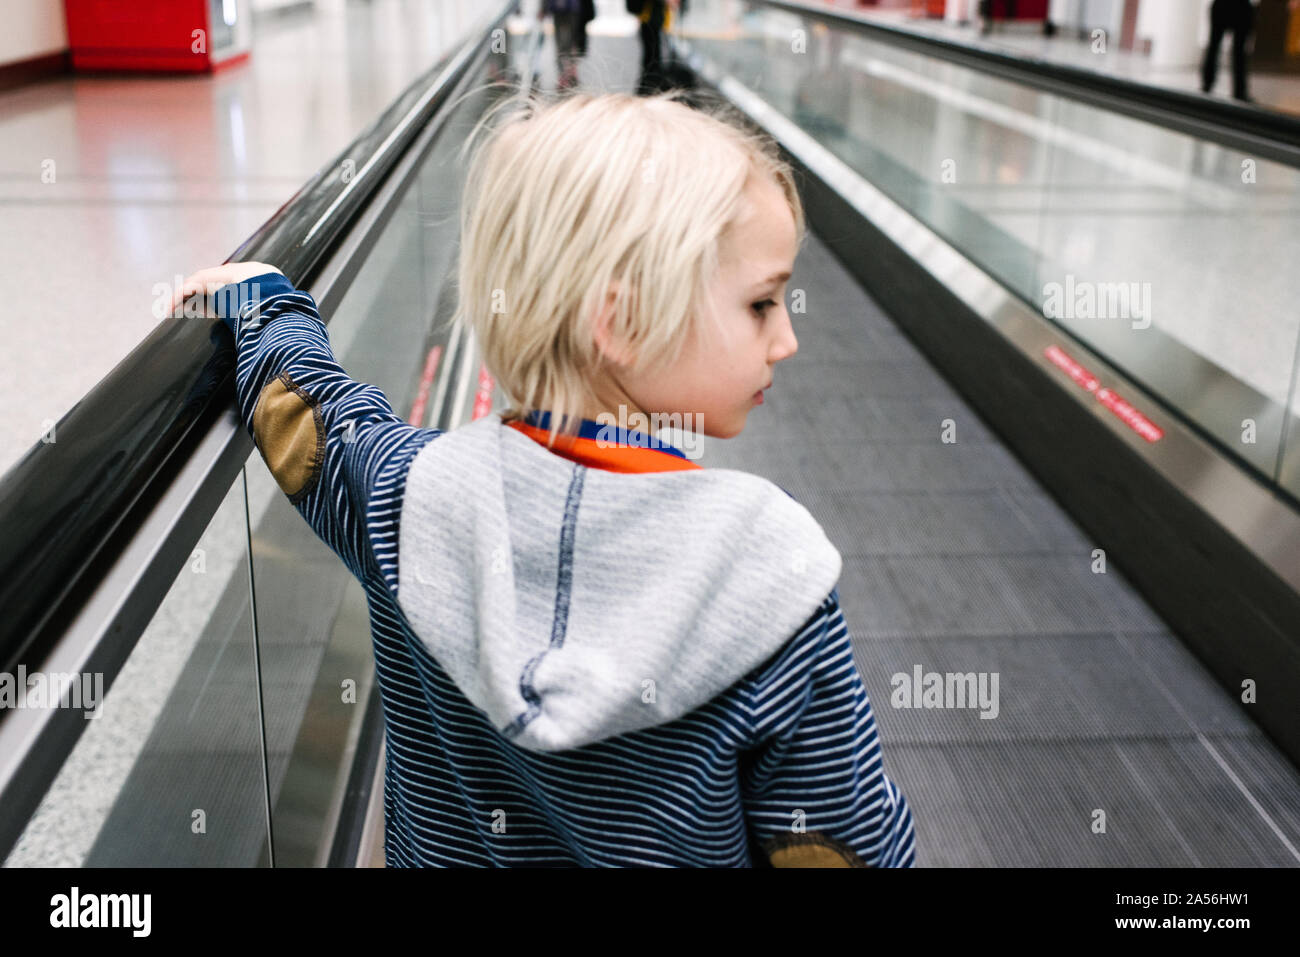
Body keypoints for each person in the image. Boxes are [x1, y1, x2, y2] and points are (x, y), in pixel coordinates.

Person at [169, 89, 916, 868]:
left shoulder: (409, 495)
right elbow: (838, 844)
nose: (786, 338)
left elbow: (309, 417)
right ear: (621, 323)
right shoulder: (771, 575)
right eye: (762, 302)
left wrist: (261, 302)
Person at [631, 0, 684, 94]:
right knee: (653, 59)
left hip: (655, 20)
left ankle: (650, 89)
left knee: (653, 58)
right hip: (651, 20)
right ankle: (650, 89)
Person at [540, 0, 594, 92]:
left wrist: (544, 8)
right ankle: (567, 73)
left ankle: (566, 74)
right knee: (568, 44)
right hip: (569, 9)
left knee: (565, 44)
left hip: (566, 9)